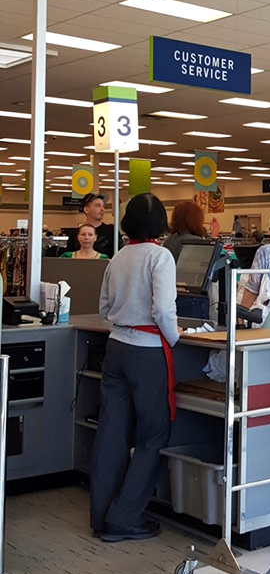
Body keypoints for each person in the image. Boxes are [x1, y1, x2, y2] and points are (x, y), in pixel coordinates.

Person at [90, 194, 179, 542]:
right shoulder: (160, 256)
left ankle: (101, 515)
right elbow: (163, 312)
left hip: (116, 348)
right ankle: (124, 517)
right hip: (147, 353)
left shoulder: (118, 257)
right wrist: (173, 338)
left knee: (111, 433)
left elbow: (104, 306)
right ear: (160, 223)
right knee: (153, 435)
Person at [66, 192, 121, 258]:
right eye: (98, 206)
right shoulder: (74, 234)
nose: (102, 209)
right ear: (86, 210)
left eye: (103, 206)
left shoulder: (112, 232)